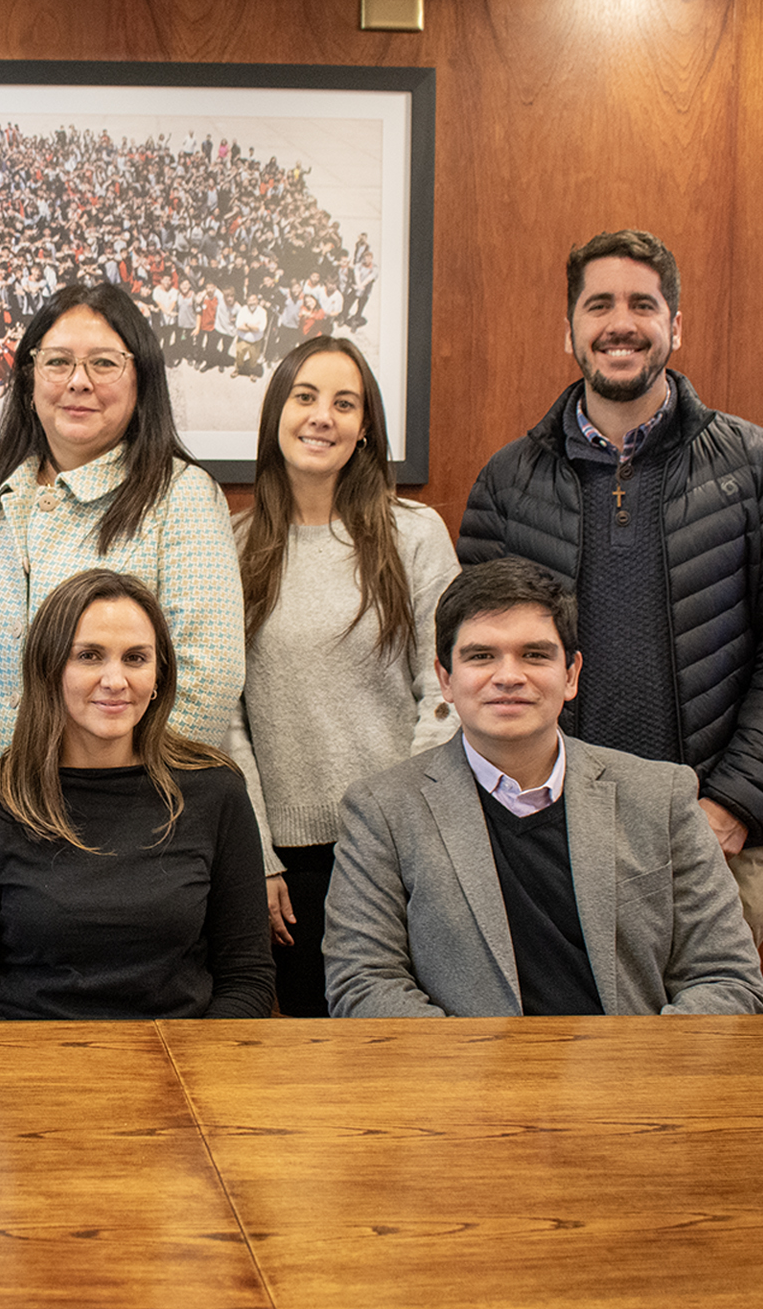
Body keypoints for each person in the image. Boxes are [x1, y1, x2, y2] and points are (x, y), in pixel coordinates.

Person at [459, 229, 763, 946]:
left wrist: (734, 807)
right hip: (548, 836)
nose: (621, 324)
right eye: (599, 305)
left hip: (714, 836)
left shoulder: (758, 469)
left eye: (643, 304)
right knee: (557, 1052)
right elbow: (479, 660)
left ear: (675, 326)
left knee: (708, 1048)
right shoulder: (507, 484)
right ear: (569, 327)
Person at [324, 559, 763, 1018]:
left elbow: (727, 979)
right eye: (481, 656)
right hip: (466, 1079)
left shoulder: (661, 796)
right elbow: (363, 984)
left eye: (534, 654)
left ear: (571, 674)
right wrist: (488, 1071)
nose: (509, 676)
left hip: (631, 1077)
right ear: (445, 680)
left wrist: (637, 1067)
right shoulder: (382, 811)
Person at [0, 281, 245, 864]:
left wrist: (119, 798)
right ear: (28, 379)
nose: (78, 381)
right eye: (58, 362)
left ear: (140, 378)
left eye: (103, 363)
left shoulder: (180, 495)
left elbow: (207, 678)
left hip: (114, 828)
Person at [0, 569, 274, 1020]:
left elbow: (247, 982)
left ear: (159, 674)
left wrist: (189, 1070)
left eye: (135, 658)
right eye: (89, 656)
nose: (115, 680)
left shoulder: (215, 793)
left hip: (181, 1069)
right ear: (49, 668)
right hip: (30, 1071)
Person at [228, 336, 458, 1017]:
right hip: (291, 859)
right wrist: (259, 854)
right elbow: (226, 715)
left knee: (412, 1052)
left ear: (365, 431)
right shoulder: (234, 546)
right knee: (314, 1065)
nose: (321, 416)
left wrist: (404, 828)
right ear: (277, 414)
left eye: (344, 403)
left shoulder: (414, 534)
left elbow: (446, 689)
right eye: (305, 397)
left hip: (404, 846)